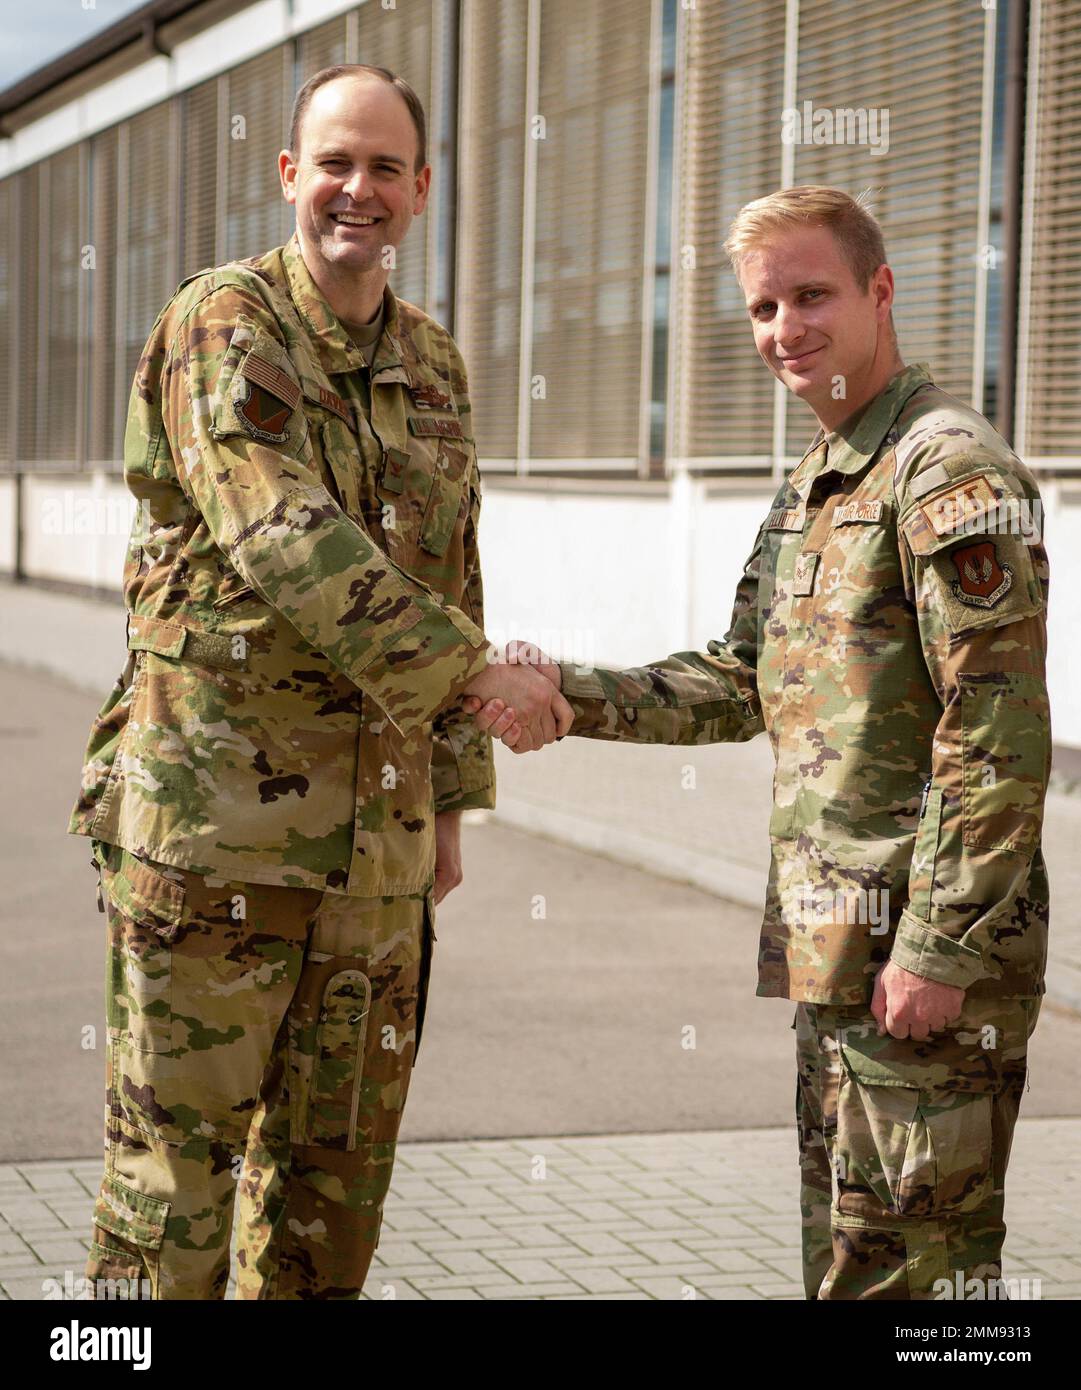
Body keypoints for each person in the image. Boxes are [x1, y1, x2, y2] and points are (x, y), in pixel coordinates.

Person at [468, 186, 1051, 1300]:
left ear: (881, 292)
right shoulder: (819, 481)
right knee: (850, 1260)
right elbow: (738, 679)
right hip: (836, 949)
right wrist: (564, 692)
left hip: (919, 958)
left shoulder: (947, 471)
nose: (786, 327)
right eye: (762, 306)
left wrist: (935, 947)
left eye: (812, 293)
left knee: (918, 1280)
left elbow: (996, 731)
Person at [67, 62, 570, 1300]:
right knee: (169, 1194)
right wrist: (487, 688)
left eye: (386, 168)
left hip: (377, 865)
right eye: (334, 163)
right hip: (215, 842)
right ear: (289, 174)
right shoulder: (225, 323)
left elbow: (455, 572)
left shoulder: (434, 365)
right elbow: (282, 539)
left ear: (422, 191)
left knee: (331, 1199)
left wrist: (451, 798)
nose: (359, 189)